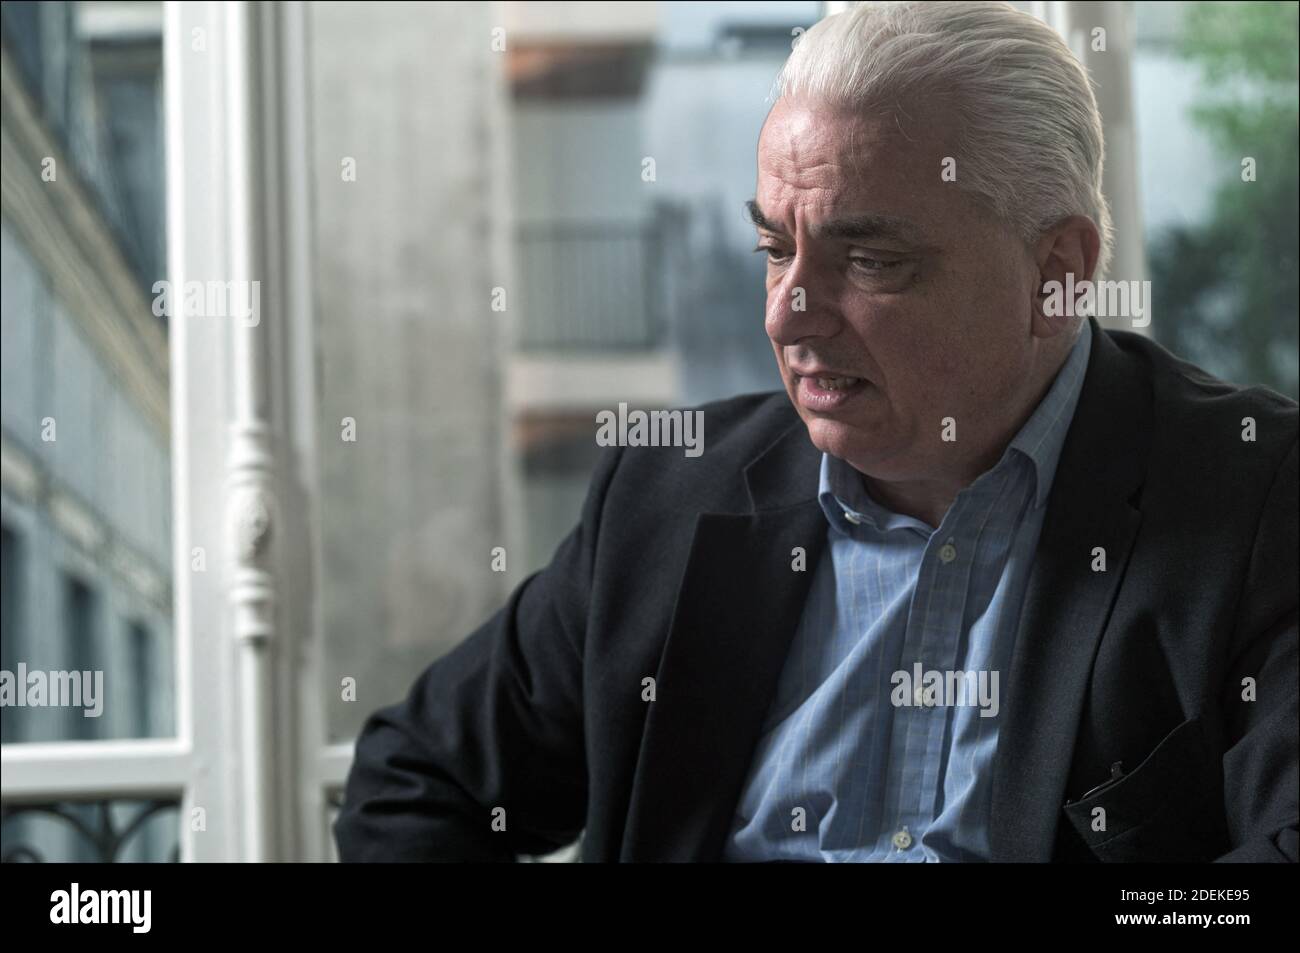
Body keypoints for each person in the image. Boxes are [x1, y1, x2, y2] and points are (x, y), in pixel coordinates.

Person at [335, 0, 1298, 862]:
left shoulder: (1256, 500)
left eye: (869, 257)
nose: (787, 315)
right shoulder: (667, 498)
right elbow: (415, 779)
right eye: (773, 248)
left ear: (1057, 273)